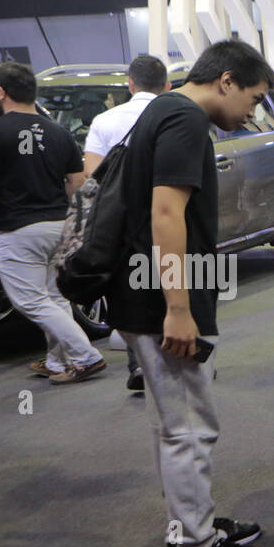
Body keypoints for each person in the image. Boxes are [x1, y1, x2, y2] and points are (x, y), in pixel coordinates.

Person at [113, 39, 274, 547]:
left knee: (173, 426)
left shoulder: (163, 108)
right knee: (188, 428)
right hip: (162, 299)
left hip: (145, 291)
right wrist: (179, 310)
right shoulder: (184, 118)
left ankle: (191, 526)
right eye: (253, 99)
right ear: (226, 81)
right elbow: (166, 213)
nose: (252, 112)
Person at [0, 62, 105, 384]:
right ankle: (58, 362)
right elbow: (77, 183)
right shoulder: (59, 131)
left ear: (0, 91)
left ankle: (86, 356)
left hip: (19, 229)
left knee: (31, 301)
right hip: (58, 225)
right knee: (54, 296)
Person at [83, 53, 172, 391]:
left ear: (130, 84)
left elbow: (92, 175)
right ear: (166, 85)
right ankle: (190, 352)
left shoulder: (105, 121)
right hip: (172, 215)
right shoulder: (177, 116)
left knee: (135, 292)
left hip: (124, 223)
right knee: (179, 279)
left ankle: (141, 367)